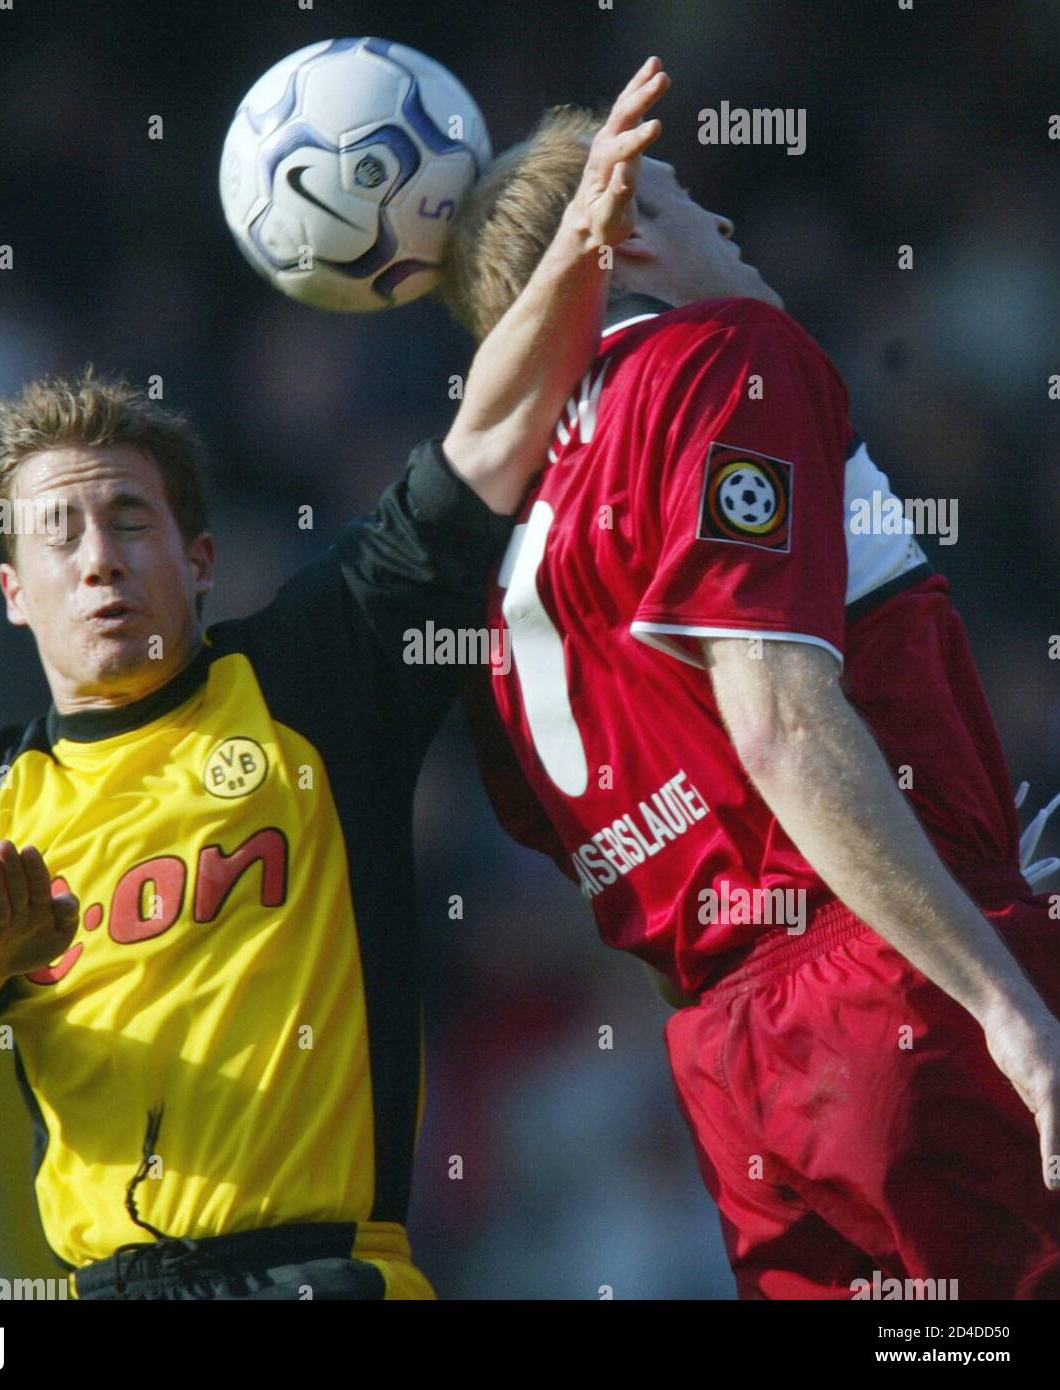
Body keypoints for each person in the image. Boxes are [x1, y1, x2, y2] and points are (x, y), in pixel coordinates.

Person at [0, 60, 670, 1303]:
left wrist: (570, 246)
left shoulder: (313, 672)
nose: (99, 560)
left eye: (129, 522)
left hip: (325, 1274)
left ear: (197, 557)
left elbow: (483, 446)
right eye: (59, 536)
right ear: (13, 589)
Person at [445, 101, 1060, 1299]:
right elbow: (774, 717)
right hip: (899, 986)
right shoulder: (717, 355)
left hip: (736, 1072)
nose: (721, 219)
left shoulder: (500, 548)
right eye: (677, 199)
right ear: (615, 245)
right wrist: (1001, 998)